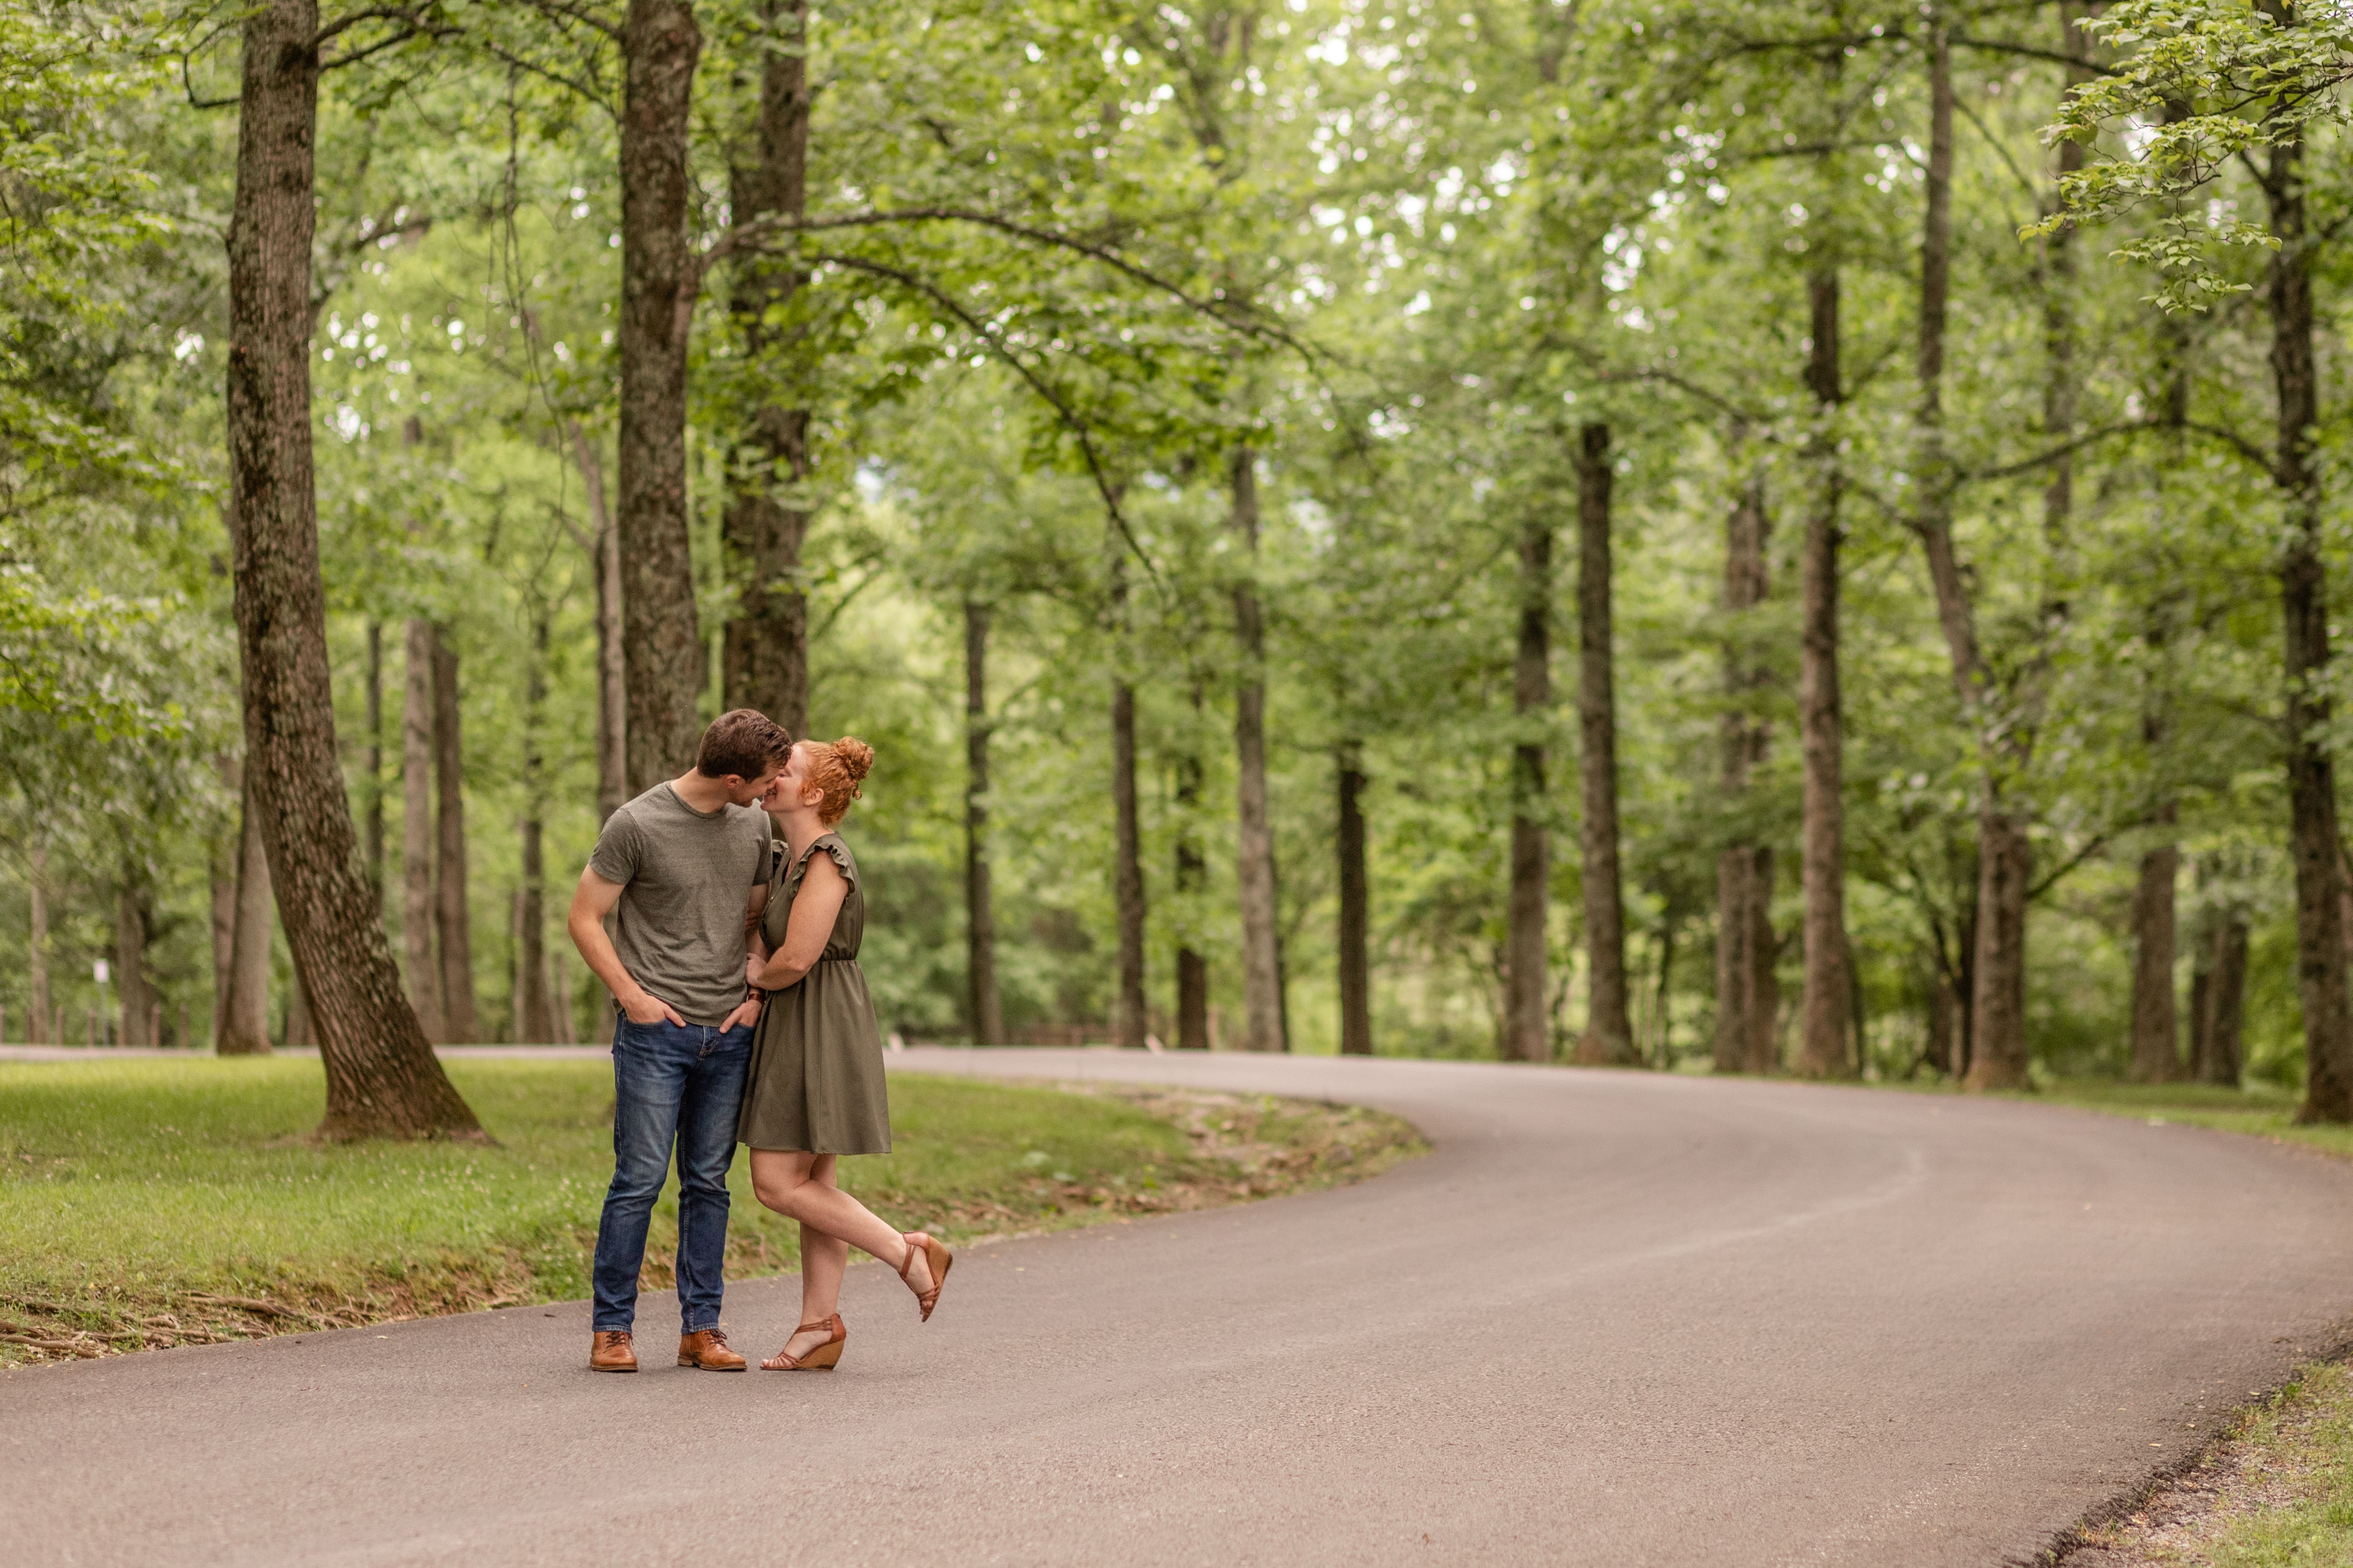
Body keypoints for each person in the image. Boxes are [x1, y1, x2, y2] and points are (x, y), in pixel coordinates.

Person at [568, 709, 793, 1374]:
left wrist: (754, 997)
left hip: (727, 1036)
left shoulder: (753, 824)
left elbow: (752, 919)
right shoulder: (635, 824)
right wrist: (632, 998)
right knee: (638, 1181)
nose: (769, 793)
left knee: (708, 1182)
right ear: (731, 777)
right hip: (655, 1036)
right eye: (762, 782)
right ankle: (611, 1329)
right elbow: (585, 918)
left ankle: (702, 1329)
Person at [738, 735, 951, 1371]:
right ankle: (818, 1325)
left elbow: (798, 956)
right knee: (815, 1183)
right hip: (799, 1015)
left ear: (814, 792)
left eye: (788, 769)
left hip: (819, 1017)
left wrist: (754, 979)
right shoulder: (783, 855)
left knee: (777, 1183)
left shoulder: (828, 857)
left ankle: (907, 1253)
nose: (773, 775)